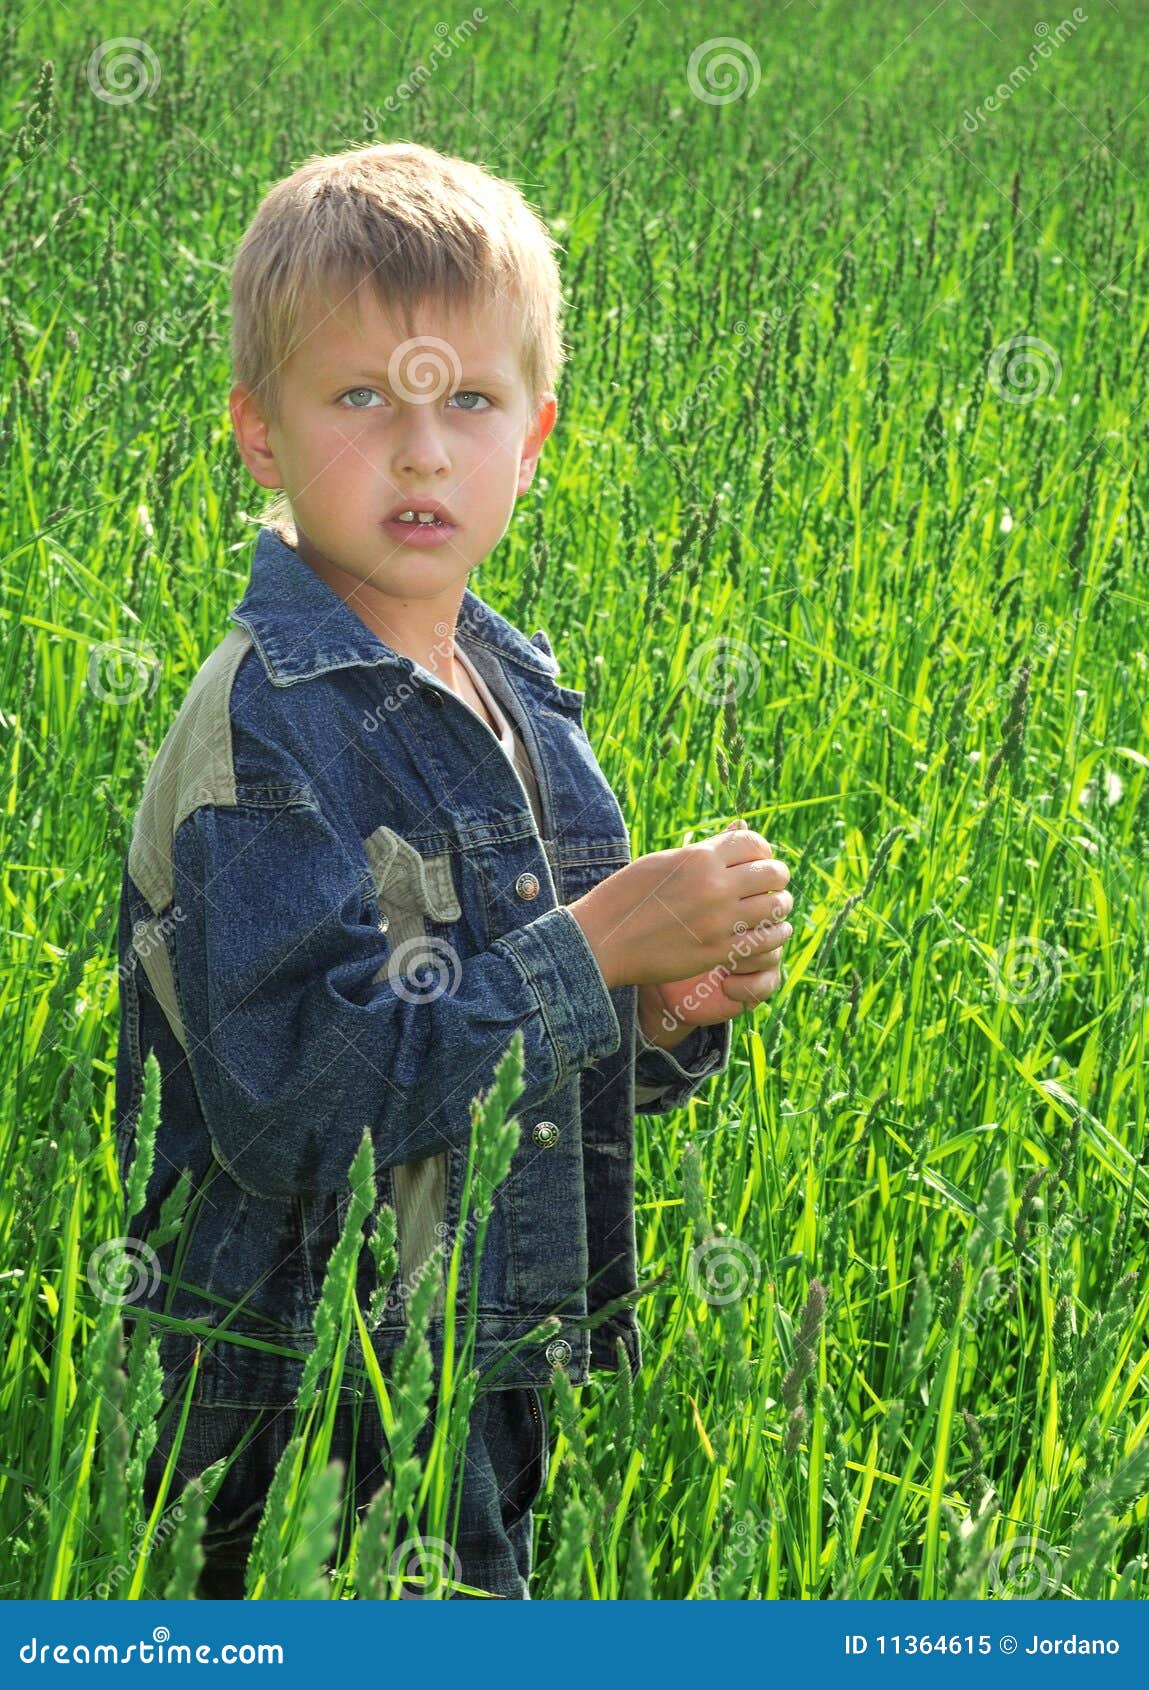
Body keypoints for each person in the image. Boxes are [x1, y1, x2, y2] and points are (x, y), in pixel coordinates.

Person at [116, 140, 794, 1600]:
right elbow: (308, 1106)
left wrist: (659, 1011)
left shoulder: (516, 696)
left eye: (468, 401)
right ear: (259, 433)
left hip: (479, 1349)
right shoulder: (264, 733)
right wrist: (589, 949)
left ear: (533, 437)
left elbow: (524, 1055)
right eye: (361, 397)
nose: (422, 450)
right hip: (305, 1390)